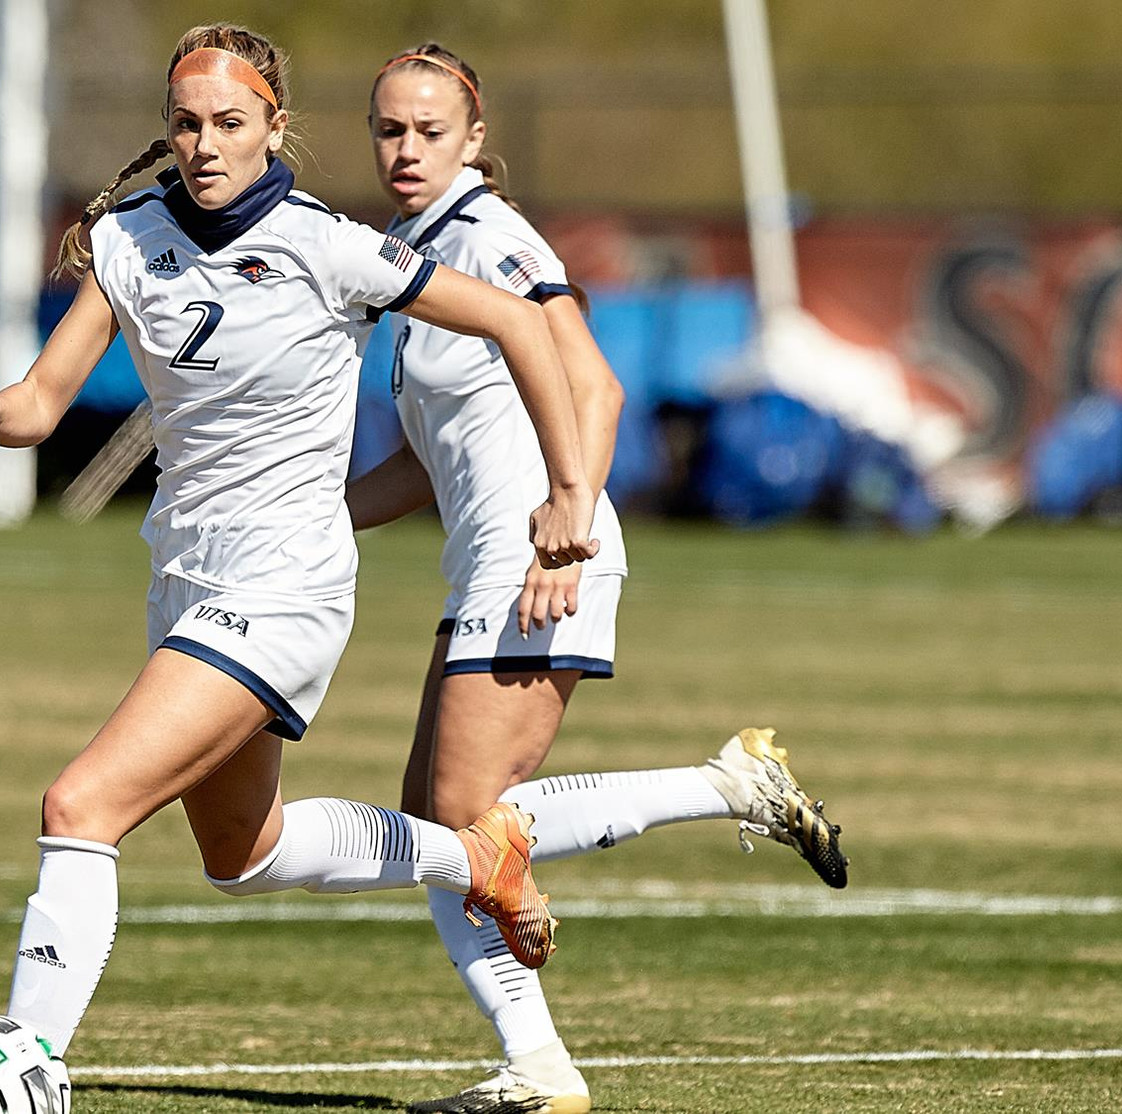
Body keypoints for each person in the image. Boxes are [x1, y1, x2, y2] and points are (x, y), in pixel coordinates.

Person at [0, 23, 604, 1097]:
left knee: (81, 805)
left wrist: (569, 490)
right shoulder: (128, 237)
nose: (206, 144)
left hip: (284, 587)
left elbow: (519, 324)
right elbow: (42, 400)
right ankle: (472, 857)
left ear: (276, 127)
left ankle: (22, 1068)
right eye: (186, 123)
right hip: (184, 579)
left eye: (230, 122)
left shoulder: (332, 244)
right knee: (245, 854)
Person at [347, 45, 849, 1114]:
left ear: (475, 141)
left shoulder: (490, 236)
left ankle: (729, 787)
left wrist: (564, 521)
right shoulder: (408, 250)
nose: (407, 149)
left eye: (431, 132)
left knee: (464, 828)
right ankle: (538, 1068)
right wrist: (316, 517)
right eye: (391, 129)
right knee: (440, 836)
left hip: (541, 553)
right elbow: (423, 464)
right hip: (483, 555)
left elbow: (598, 387)